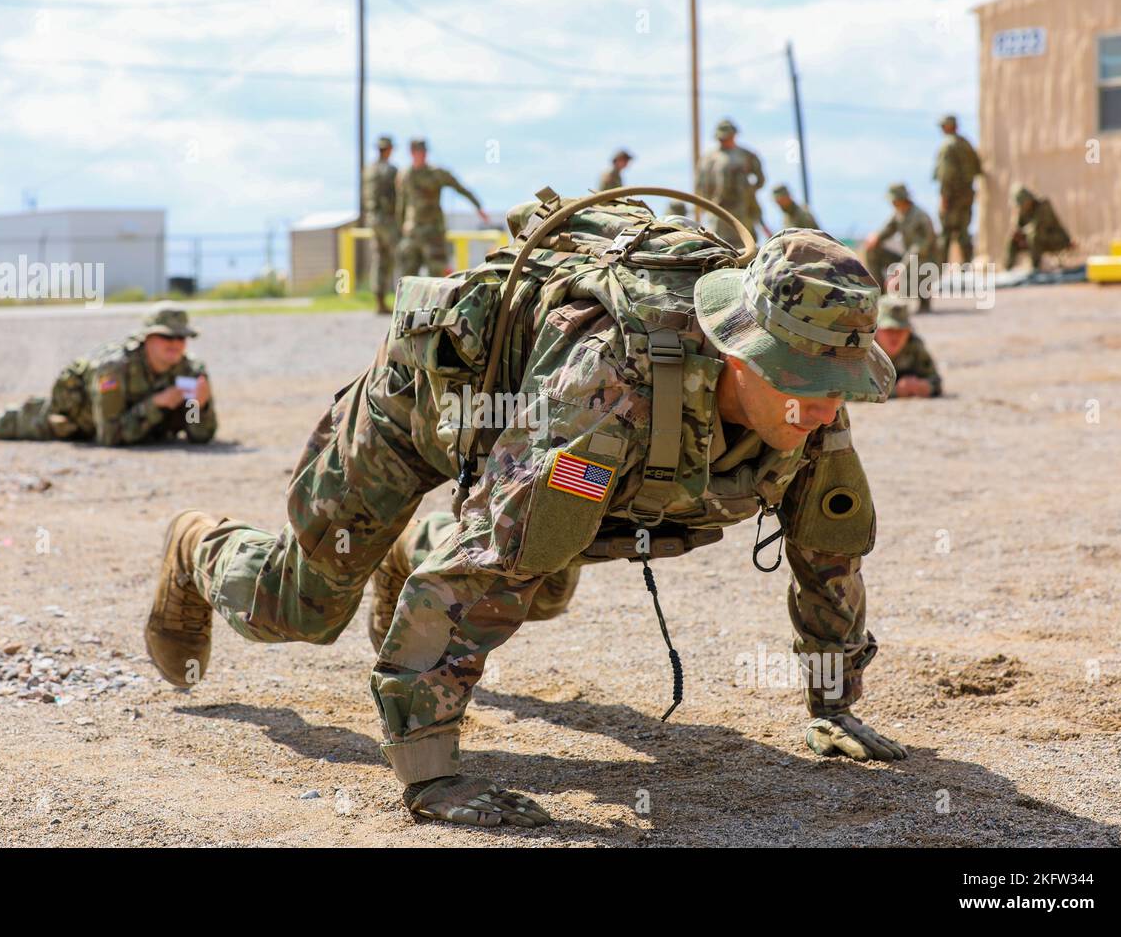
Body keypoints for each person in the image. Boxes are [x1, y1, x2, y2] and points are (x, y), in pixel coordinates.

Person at [143, 203, 906, 829]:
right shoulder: (611, 390)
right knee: (299, 610)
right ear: (739, 351)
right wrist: (431, 777)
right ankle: (198, 548)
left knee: (541, 585)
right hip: (421, 409)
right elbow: (482, 570)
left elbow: (828, 545)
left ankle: (413, 551)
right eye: (801, 380)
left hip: (539, 449)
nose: (823, 404)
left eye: (838, 384)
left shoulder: (808, 409)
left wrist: (834, 702)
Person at [0, 304, 216, 446]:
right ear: (147, 339)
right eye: (167, 338)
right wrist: (158, 403)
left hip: (135, 430)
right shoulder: (113, 370)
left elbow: (202, 436)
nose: (175, 345)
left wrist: (195, 408)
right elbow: (108, 436)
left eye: (181, 338)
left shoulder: (191, 370)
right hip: (72, 421)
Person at [395, 138, 489, 277]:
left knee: (437, 275)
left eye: (423, 152)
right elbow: (401, 203)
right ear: (411, 153)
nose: (421, 155)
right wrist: (401, 228)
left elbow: (459, 187)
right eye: (418, 152)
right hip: (412, 232)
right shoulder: (404, 175)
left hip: (434, 233)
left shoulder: (436, 173)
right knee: (407, 276)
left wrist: (478, 206)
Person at [863, 183, 938, 311]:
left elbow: (920, 248)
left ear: (902, 199)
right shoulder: (898, 214)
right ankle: (881, 297)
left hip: (923, 263)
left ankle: (923, 298)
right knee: (872, 250)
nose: (892, 204)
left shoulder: (921, 217)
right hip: (907, 260)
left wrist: (900, 269)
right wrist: (874, 238)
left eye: (894, 200)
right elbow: (886, 231)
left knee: (907, 281)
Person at [696, 118, 766, 247]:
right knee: (717, 242)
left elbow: (760, 179)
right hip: (718, 208)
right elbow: (700, 187)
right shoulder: (708, 159)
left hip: (742, 208)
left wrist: (749, 191)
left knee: (746, 242)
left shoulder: (746, 155)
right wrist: (707, 204)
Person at [932, 115, 983, 264]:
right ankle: (966, 267)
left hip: (952, 197)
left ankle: (939, 270)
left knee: (945, 234)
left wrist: (944, 198)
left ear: (949, 126)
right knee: (964, 233)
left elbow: (946, 175)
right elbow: (977, 168)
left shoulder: (948, 146)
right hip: (966, 195)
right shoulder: (966, 144)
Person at [874, 297, 941, 398]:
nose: (894, 336)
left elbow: (935, 381)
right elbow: (851, 391)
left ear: (909, 331)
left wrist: (924, 386)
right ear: (875, 330)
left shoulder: (914, 346)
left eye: (900, 330)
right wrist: (896, 391)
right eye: (889, 330)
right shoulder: (864, 350)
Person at [362, 134, 399, 314]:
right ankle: (405, 299)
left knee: (379, 259)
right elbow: (395, 196)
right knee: (396, 257)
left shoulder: (369, 170)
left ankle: (379, 301)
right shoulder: (390, 170)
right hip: (387, 219)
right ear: (389, 149)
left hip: (372, 219)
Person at [1006, 184, 1071, 272]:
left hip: (1056, 239)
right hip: (1036, 239)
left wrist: (1023, 233)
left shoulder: (1044, 205)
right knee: (1013, 239)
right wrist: (1017, 235)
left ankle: (1035, 268)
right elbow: (1017, 228)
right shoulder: (1022, 211)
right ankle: (1008, 268)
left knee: (1034, 236)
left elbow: (1038, 227)